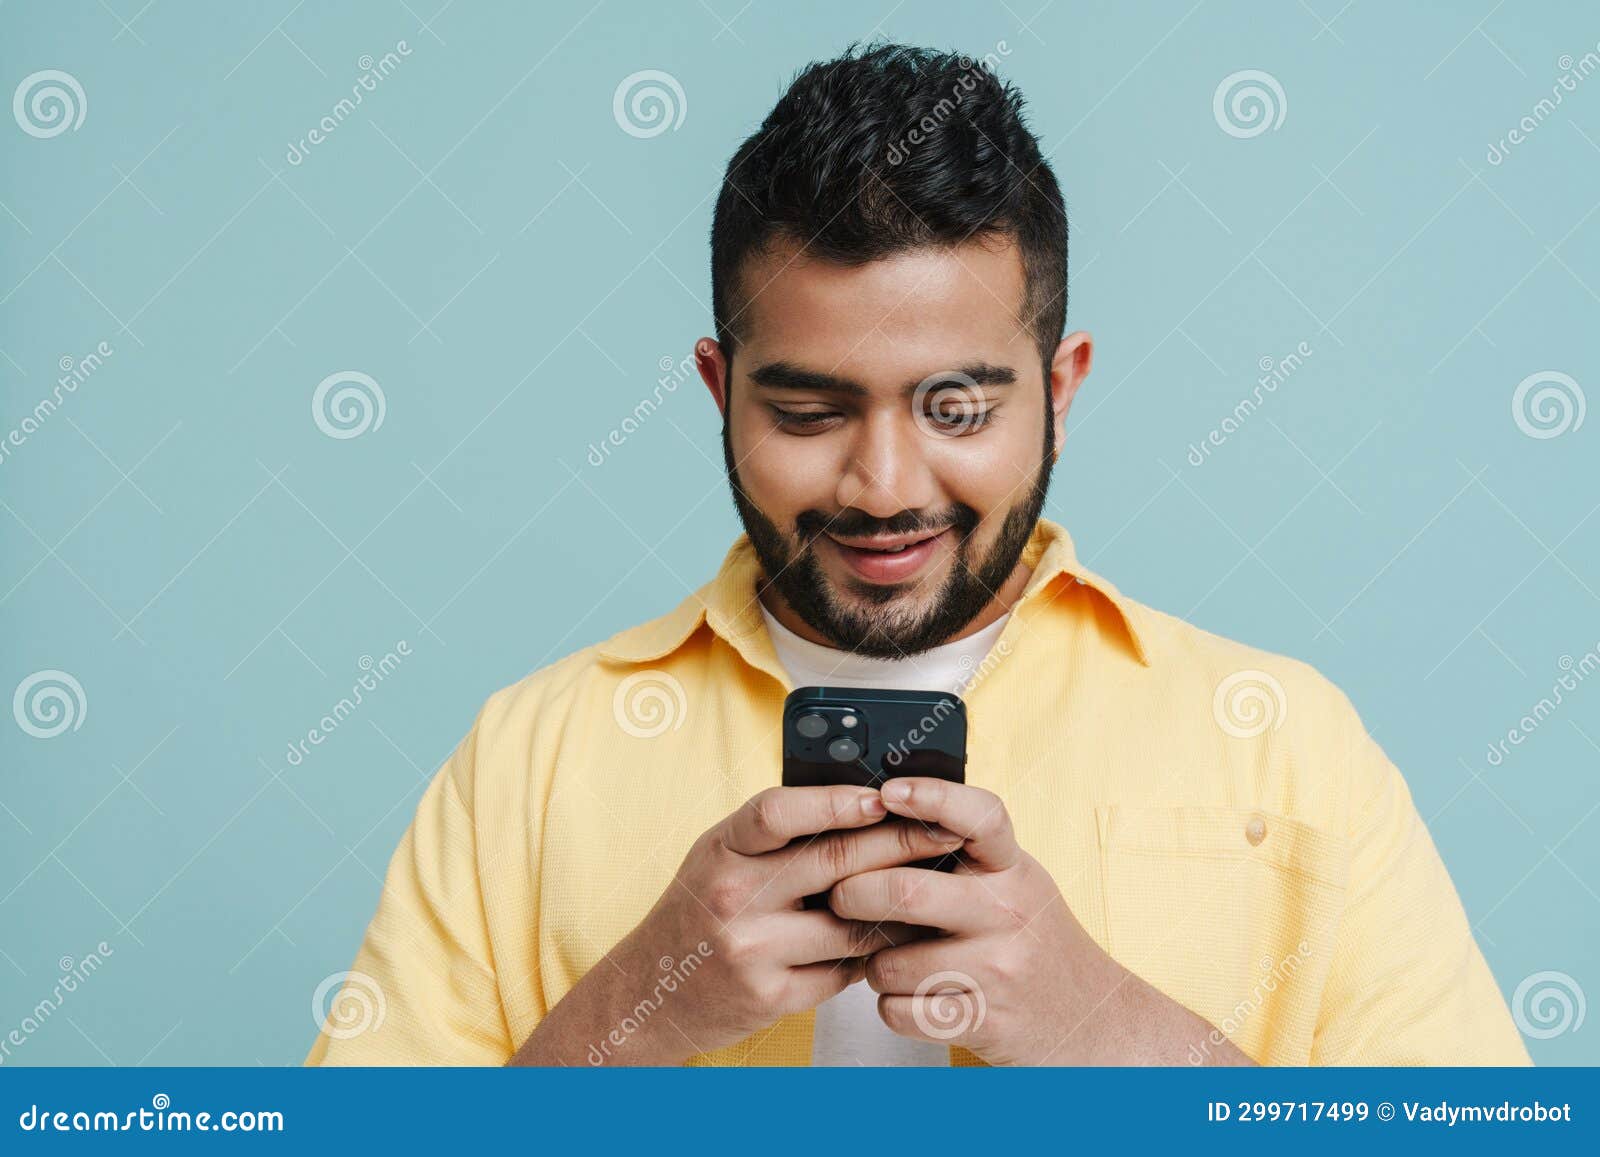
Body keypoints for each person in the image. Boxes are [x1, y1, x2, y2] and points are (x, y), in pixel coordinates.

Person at [306, 44, 1528, 1067]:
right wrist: (635, 1014)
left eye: (955, 406)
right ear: (718, 391)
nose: (883, 486)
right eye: (805, 411)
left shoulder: (1288, 741)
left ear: (1059, 389)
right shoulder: (527, 758)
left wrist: (1113, 1030)